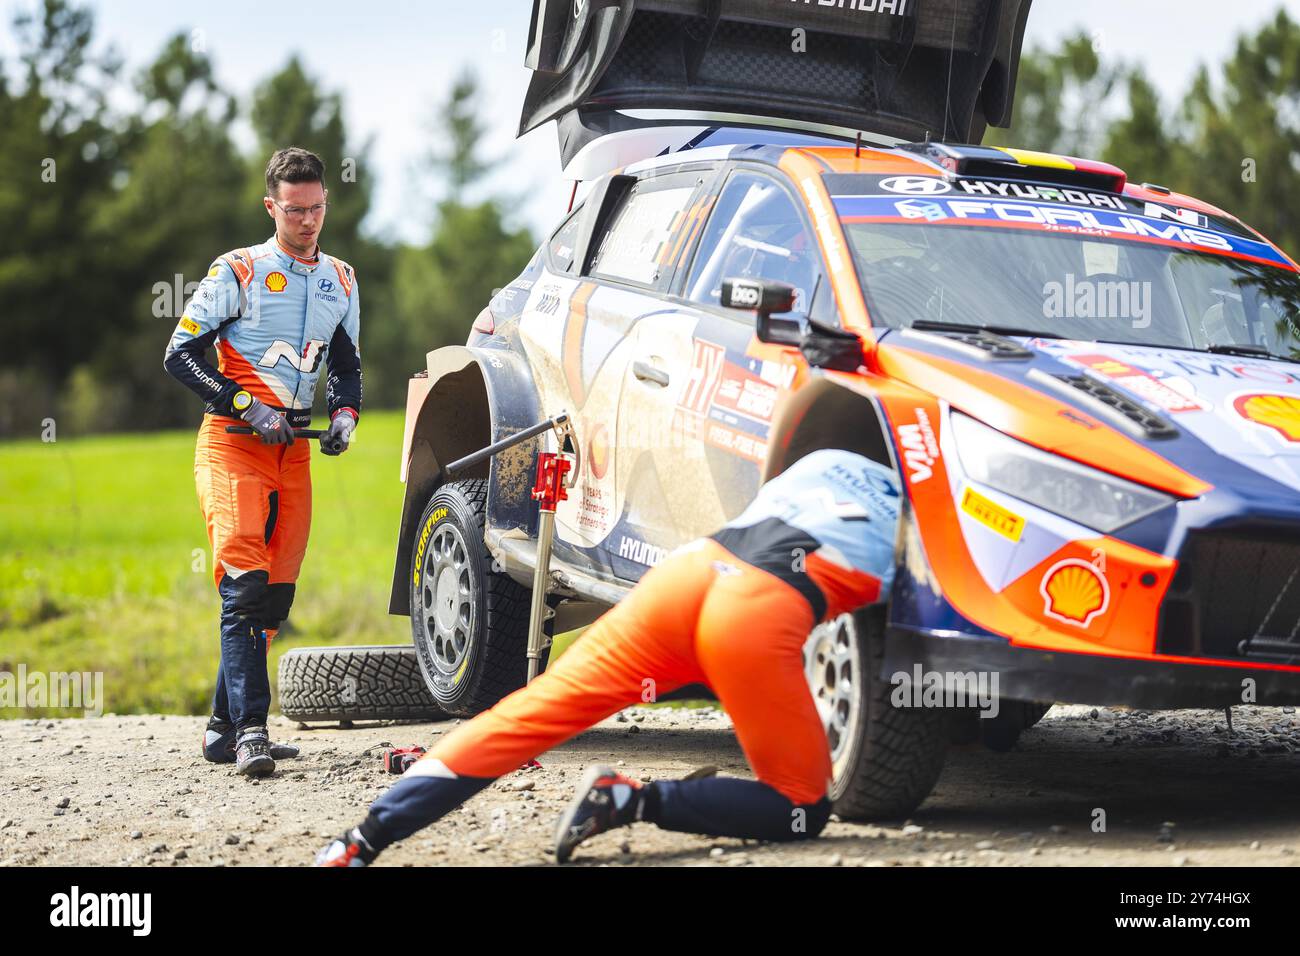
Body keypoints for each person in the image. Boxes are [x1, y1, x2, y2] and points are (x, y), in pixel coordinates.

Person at [316, 447, 899, 865]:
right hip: (755, 615)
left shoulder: (819, 460)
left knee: (521, 719)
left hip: (682, 580)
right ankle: (636, 800)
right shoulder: (936, 501)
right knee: (802, 807)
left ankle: (358, 841)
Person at [163, 147, 362, 777]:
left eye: (317, 208)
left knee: (274, 601)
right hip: (234, 447)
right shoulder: (238, 270)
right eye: (295, 210)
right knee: (244, 589)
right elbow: (180, 355)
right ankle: (252, 729)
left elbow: (348, 364)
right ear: (270, 206)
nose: (308, 222)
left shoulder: (345, 279)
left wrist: (347, 418)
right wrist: (246, 405)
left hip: (294, 456)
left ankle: (222, 730)